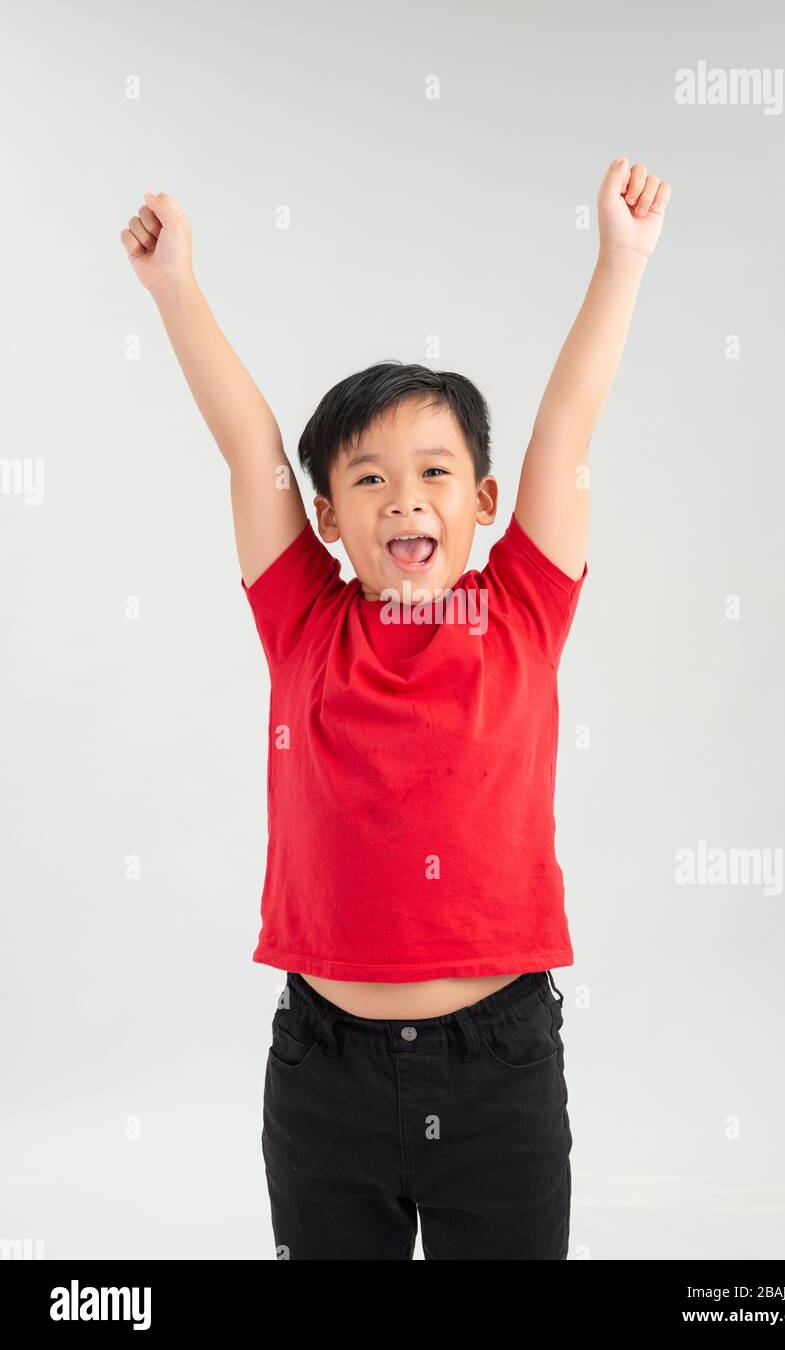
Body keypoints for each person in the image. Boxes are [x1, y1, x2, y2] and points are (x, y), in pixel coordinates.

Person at [119, 156, 671, 1259]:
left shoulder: (522, 604)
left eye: (432, 473)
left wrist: (620, 261)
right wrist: (177, 286)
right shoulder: (305, 623)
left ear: (482, 503)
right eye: (368, 479)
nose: (403, 496)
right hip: (325, 1072)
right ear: (327, 516)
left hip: (499, 1064)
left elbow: (568, 429)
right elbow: (249, 449)